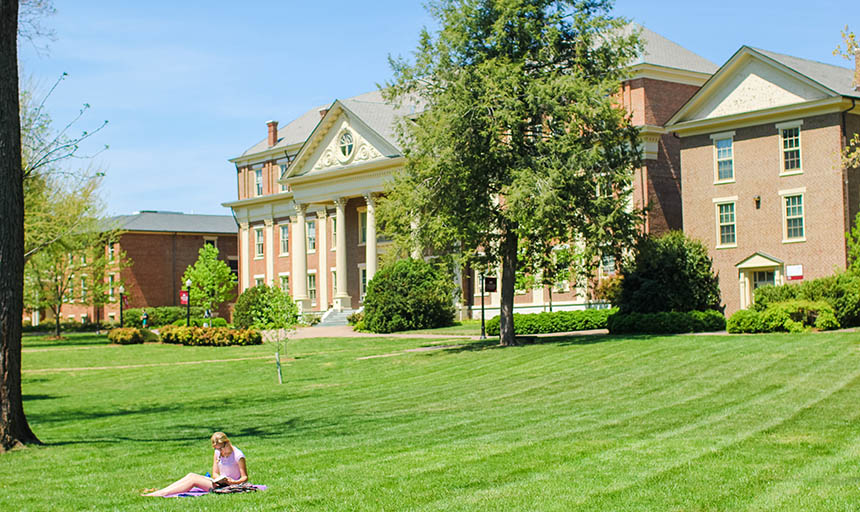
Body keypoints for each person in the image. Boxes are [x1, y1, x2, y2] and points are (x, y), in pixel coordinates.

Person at [142, 432, 248, 497]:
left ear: (227, 442)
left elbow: (245, 478)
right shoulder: (217, 453)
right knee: (191, 475)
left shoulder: (238, 455)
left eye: (221, 448)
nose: (220, 451)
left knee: (194, 481)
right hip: (220, 482)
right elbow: (215, 473)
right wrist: (219, 478)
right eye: (217, 449)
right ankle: (163, 491)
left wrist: (233, 482)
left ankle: (162, 494)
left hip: (230, 486)